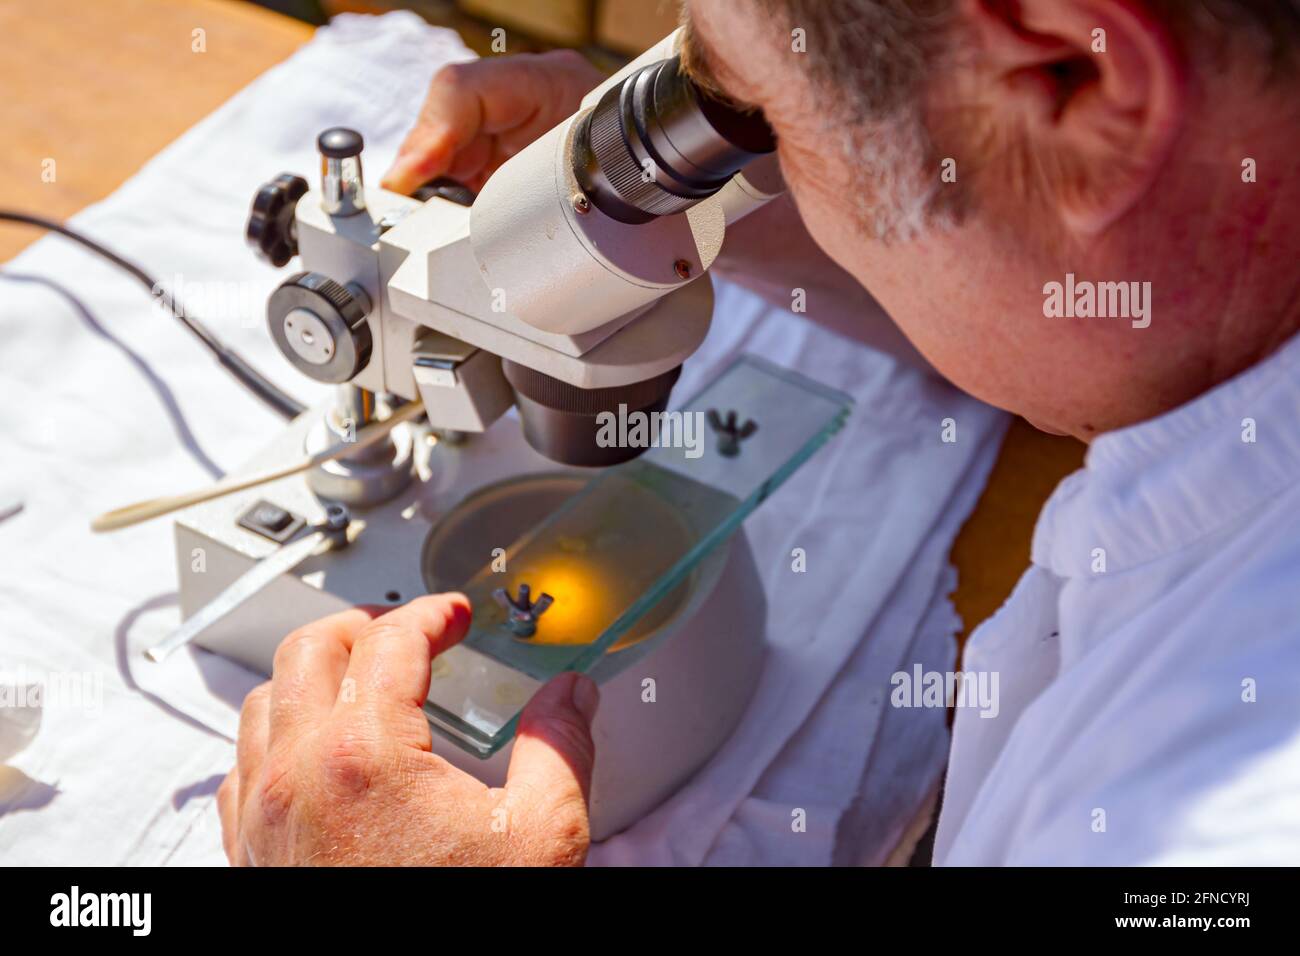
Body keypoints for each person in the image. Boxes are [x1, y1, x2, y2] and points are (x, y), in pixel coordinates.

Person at [218, 0, 1300, 865]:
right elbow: (1050, 259)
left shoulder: (1202, 807)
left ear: (1070, 77)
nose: (739, 150)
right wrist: (677, 208)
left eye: (756, 118)